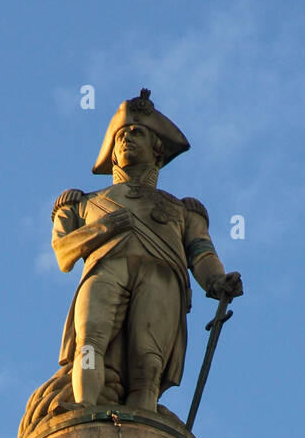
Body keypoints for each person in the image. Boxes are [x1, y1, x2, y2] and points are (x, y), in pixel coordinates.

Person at [50, 88, 242, 413]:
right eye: (121, 134)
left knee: (148, 362)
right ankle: (84, 408)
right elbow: (63, 253)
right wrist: (104, 229)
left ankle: (144, 424)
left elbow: (201, 253)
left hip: (162, 275)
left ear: (157, 149)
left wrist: (218, 281)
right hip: (104, 269)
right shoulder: (81, 202)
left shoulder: (183, 210)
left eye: (136, 132)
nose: (126, 138)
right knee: (90, 341)